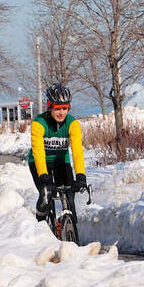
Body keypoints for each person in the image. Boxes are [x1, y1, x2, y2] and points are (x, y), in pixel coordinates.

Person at [28, 83, 87, 221]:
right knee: (46, 196)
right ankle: (41, 226)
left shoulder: (73, 124)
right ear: (49, 106)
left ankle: (72, 230)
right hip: (39, 161)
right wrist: (43, 175)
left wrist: (81, 175)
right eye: (57, 108)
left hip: (61, 161)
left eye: (65, 108)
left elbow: (77, 150)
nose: (61, 112)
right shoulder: (38, 123)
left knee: (69, 195)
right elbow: (38, 151)